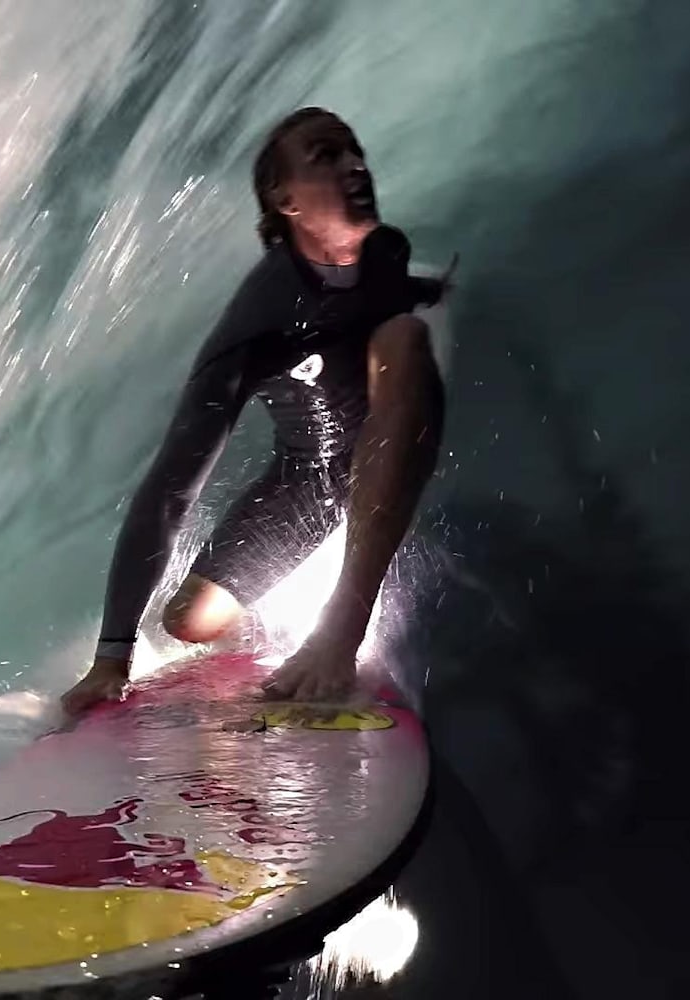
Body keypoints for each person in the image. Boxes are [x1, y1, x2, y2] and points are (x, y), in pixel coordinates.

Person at [61, 107, 450, 715]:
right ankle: (286, 616)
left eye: (355, 152)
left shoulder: (386, 252)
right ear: (284, 199)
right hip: (312, 485)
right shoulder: (261, 323)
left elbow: (396, 306)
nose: (355, 166)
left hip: (387, 451)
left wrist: (434, 296)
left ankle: (338, 633)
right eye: (326, 156)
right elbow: (171, 489)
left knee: (402, 338)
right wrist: (113, 656)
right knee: (189, 622)